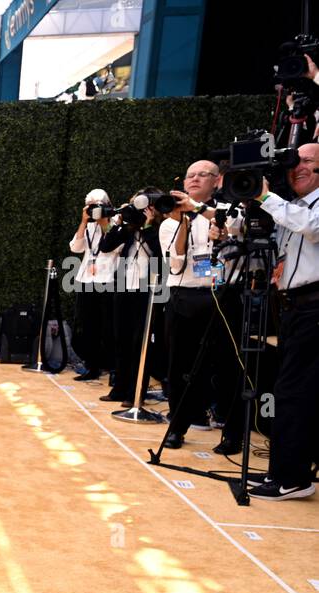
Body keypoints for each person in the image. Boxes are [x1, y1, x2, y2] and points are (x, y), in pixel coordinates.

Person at [245, 145, 319, 500]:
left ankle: (292, 479)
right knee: (288, 392)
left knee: (294, 395)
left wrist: (265, 195)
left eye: (307, 161)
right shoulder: (293, 208)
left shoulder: (306, 210)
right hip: (292, 308)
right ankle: (284, 472)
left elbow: (311, 228)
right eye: (295, 162)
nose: (298, 167)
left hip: (314, 310)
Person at [159, 160, 244, 452]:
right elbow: (176, 262)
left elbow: (237, 228)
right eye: (189, 176)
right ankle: (177, 426)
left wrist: (198, 210)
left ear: (217, 180)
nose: (194, 179)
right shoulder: (170, 220)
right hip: (183, 296)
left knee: (227, 367)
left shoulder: (229, 209)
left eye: (202, 175)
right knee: (179, 367)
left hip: (222, 296)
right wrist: (184, 220)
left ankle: (233, 433)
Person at [98, 189, 162, 406]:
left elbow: (160, 253)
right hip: (125, 285)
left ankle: (136, 393)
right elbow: (105, 246)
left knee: (139, 343)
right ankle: (119, 388)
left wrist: (148, 226)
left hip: (148, 290)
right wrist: (119, 223)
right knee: (121, 339)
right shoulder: (128, 227)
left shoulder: (161, 228)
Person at [68, 189, 119, 381]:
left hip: (108, 280)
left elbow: (118, 246)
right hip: (86, 280)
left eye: (98, 205)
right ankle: (92, 367)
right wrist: (84, 221)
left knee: (109, 328)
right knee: (89, 326)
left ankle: (114, 369)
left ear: (107, 205)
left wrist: (104, 222)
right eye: (91, 206)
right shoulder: (88, 227)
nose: (95, 210)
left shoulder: (116, 224)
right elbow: (75, 247)